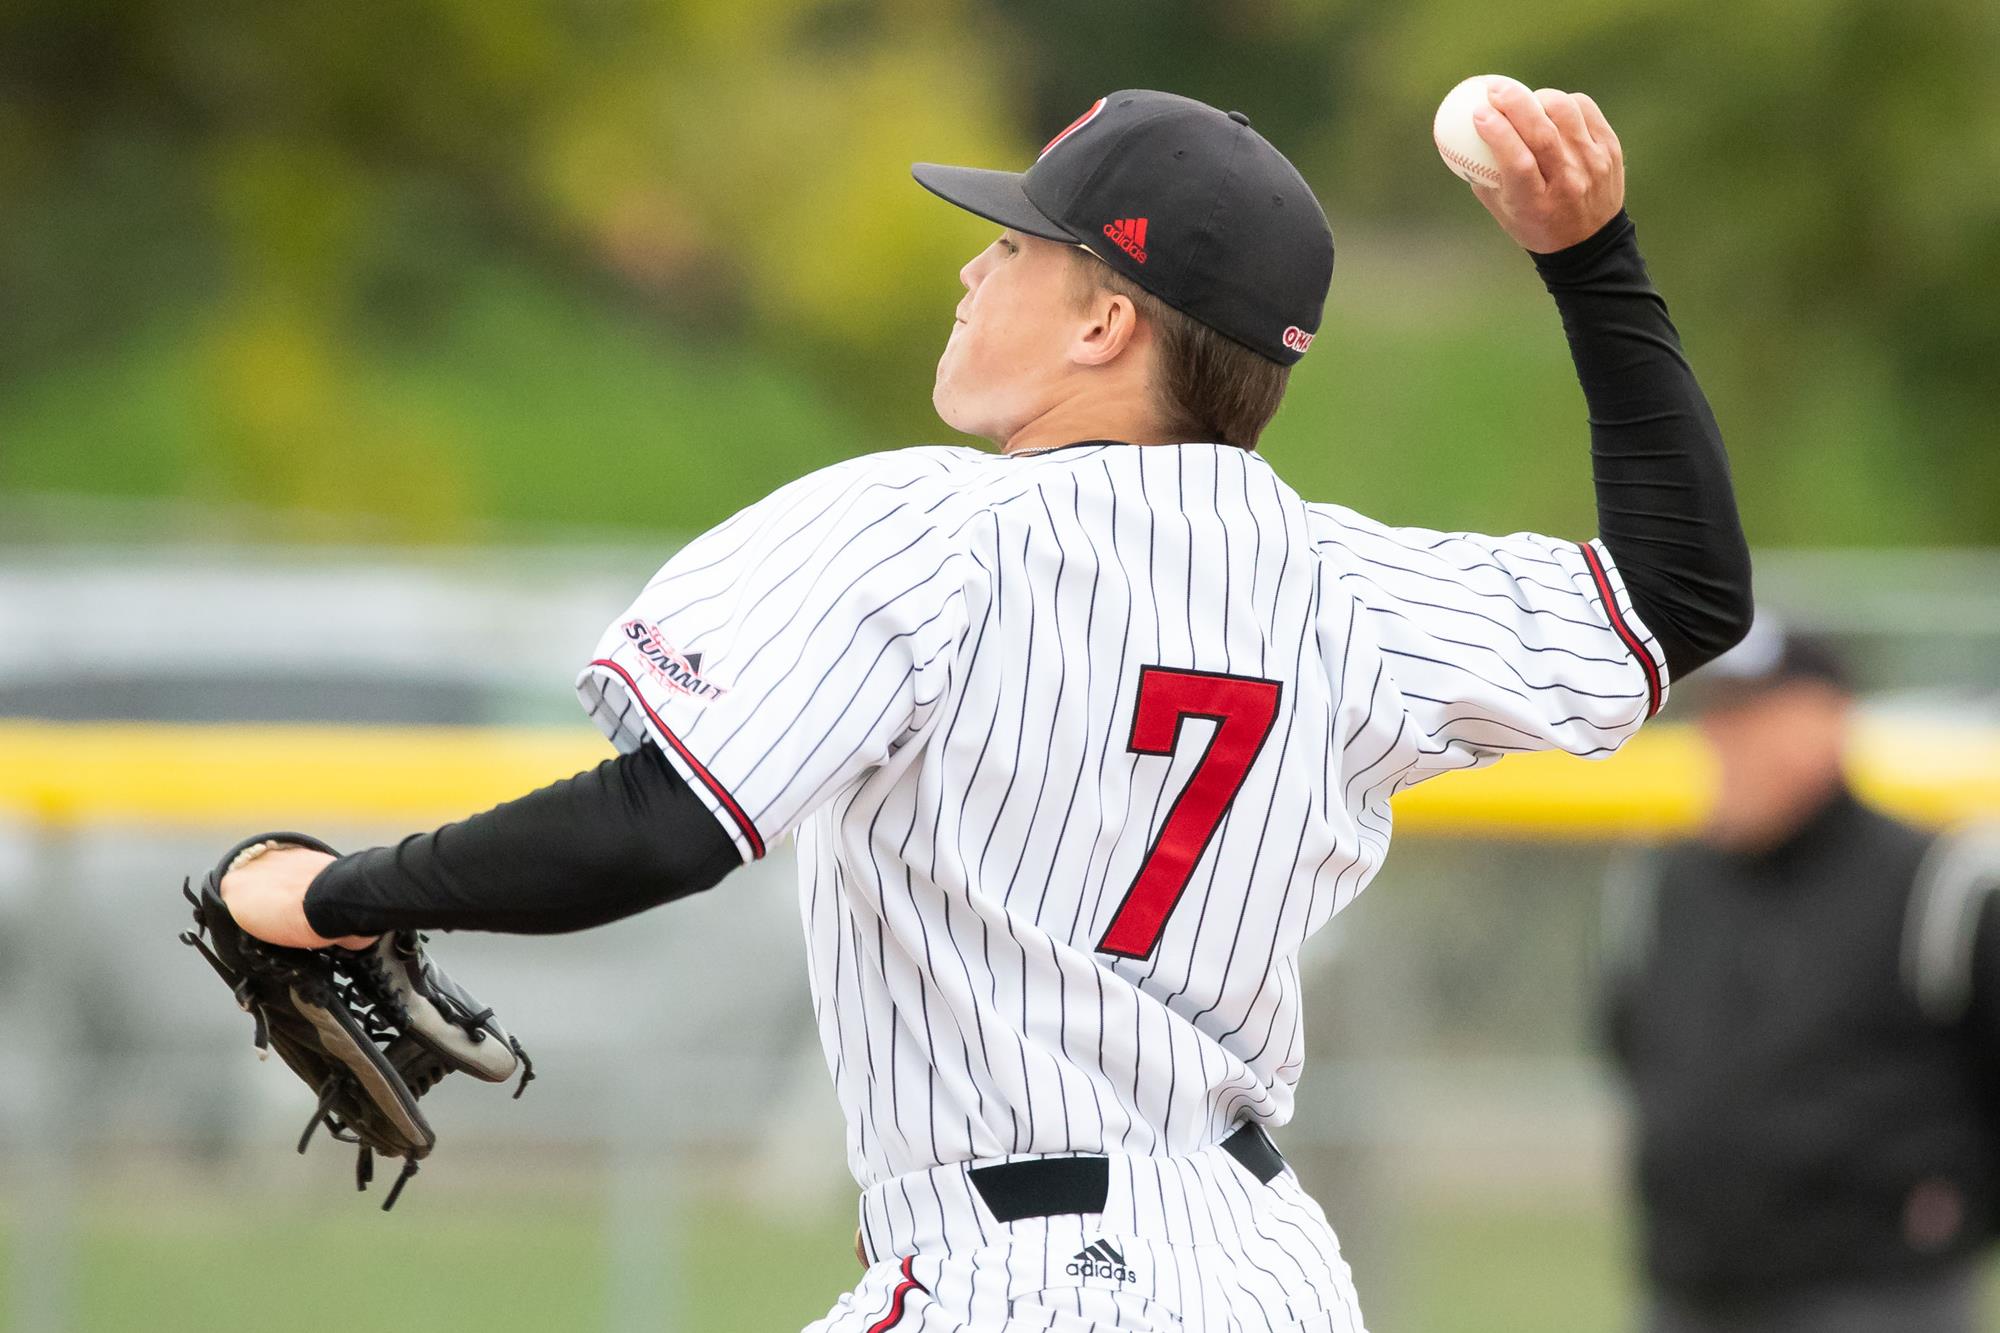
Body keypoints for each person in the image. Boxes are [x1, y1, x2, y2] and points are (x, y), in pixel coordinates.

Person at [220, 84, 1751, 1330]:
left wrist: (330, 893)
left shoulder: (930, 532)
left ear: (1107, 325)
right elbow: (1682, 599)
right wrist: (1591, 257)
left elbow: (659, 830)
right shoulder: (1345, 583)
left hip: (1015, 1277)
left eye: (1018, 246)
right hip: (1272, 1272)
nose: (973, 266)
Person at [1601, 617, 2000, 1333]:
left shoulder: (1936, 880)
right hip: (1690, 1291)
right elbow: (1627, 1044)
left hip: (1878, 1297)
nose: (1721, 738)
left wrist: (1948, 1212)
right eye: (1715, 714)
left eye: (1750, 713)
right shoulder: (1669, 879)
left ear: (1827, 719)